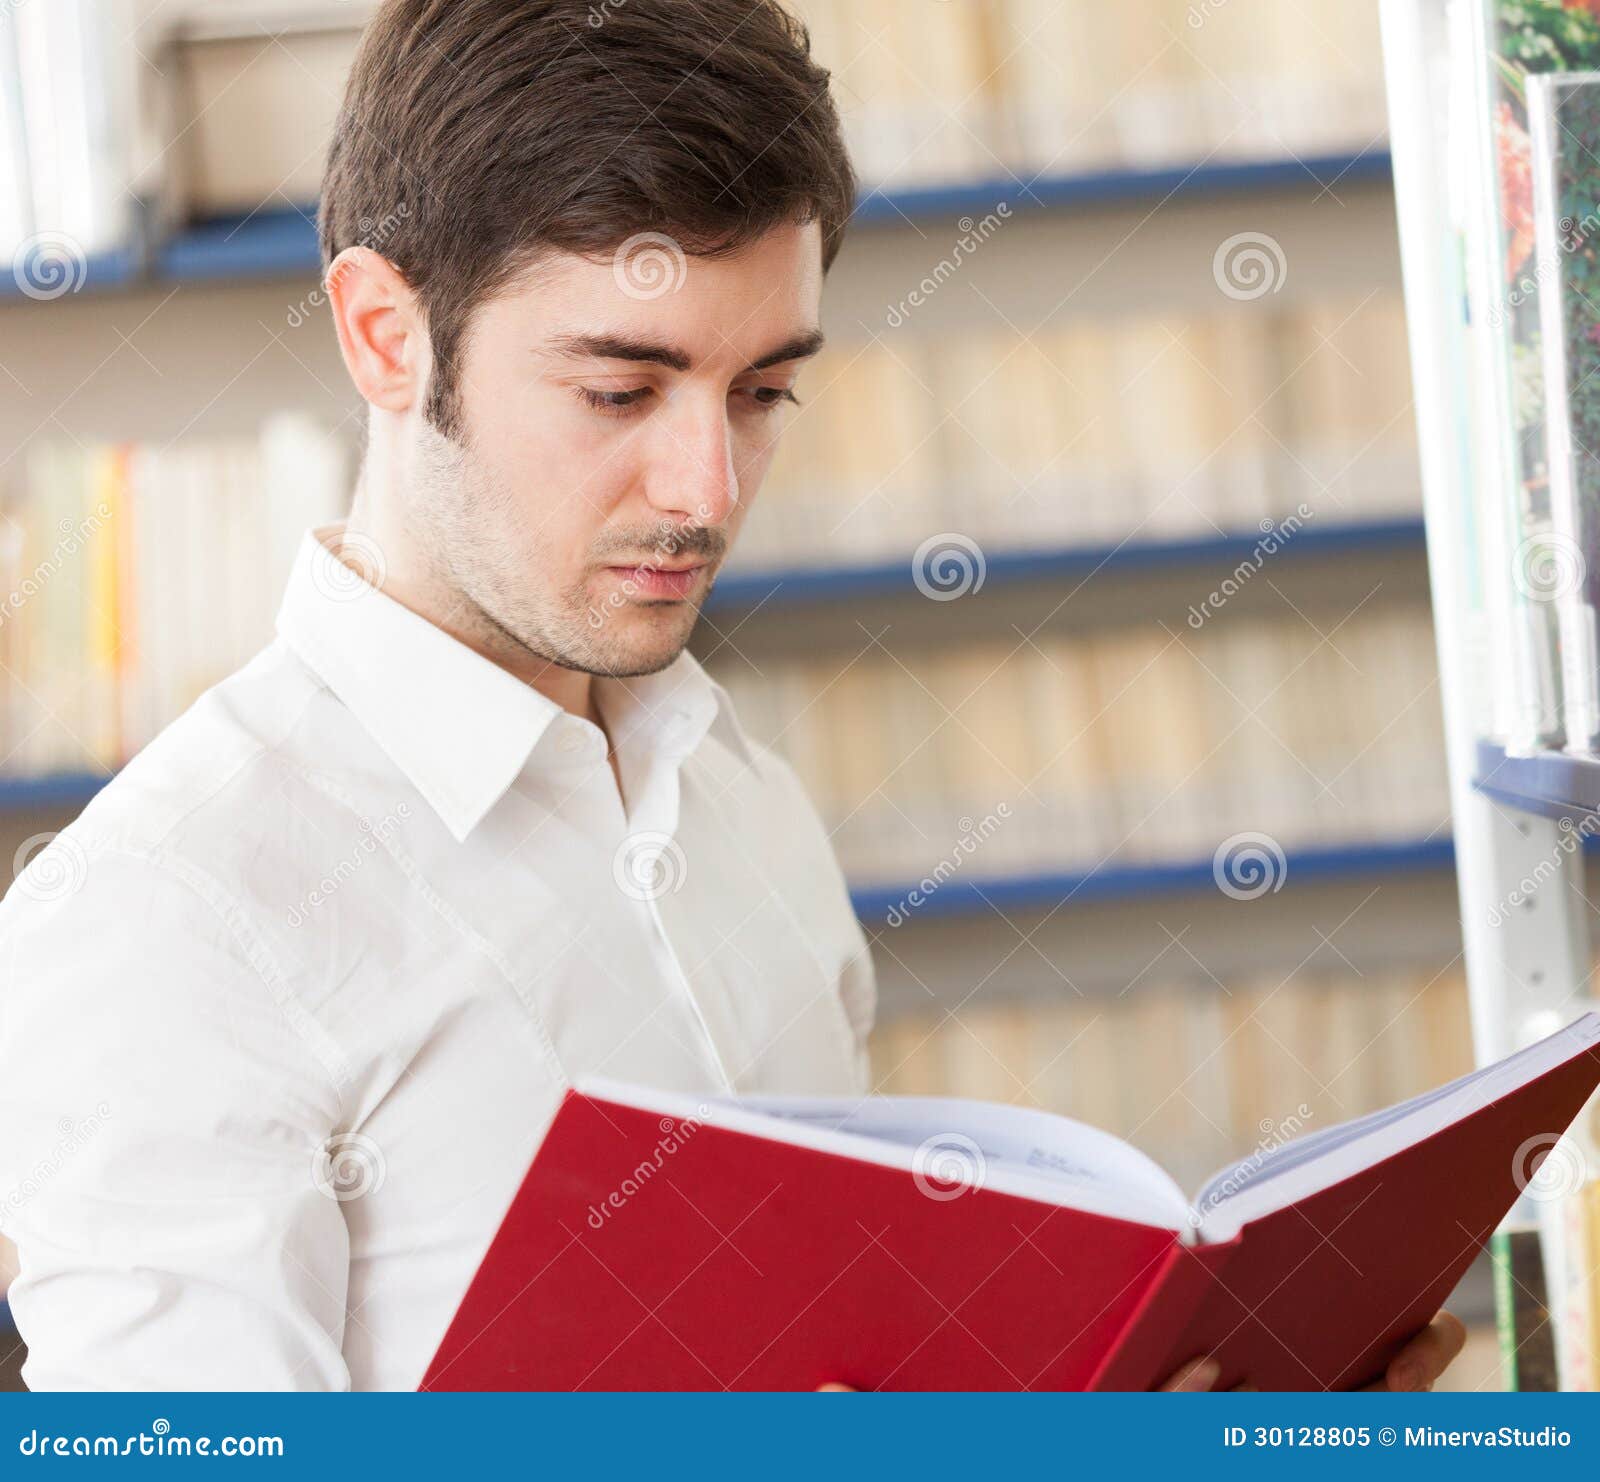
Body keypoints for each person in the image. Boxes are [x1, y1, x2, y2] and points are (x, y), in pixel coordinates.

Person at [0, 0, 1462, 1393]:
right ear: (387, 334)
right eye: (622, 392)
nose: (705, 494)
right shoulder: (152, 924)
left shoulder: (730, 779)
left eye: (762, 390)